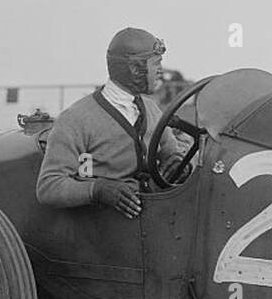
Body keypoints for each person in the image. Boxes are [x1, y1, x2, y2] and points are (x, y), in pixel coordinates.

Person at [36, 27, 189, 219]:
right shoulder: (75, 119)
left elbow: (172, 154)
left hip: (155, 218)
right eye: (156, 64)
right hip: (104, 228)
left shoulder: (151, 109)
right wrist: (97, 190)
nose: (160, 71)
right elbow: (49, 186)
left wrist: (177, 165)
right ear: (134, 69)